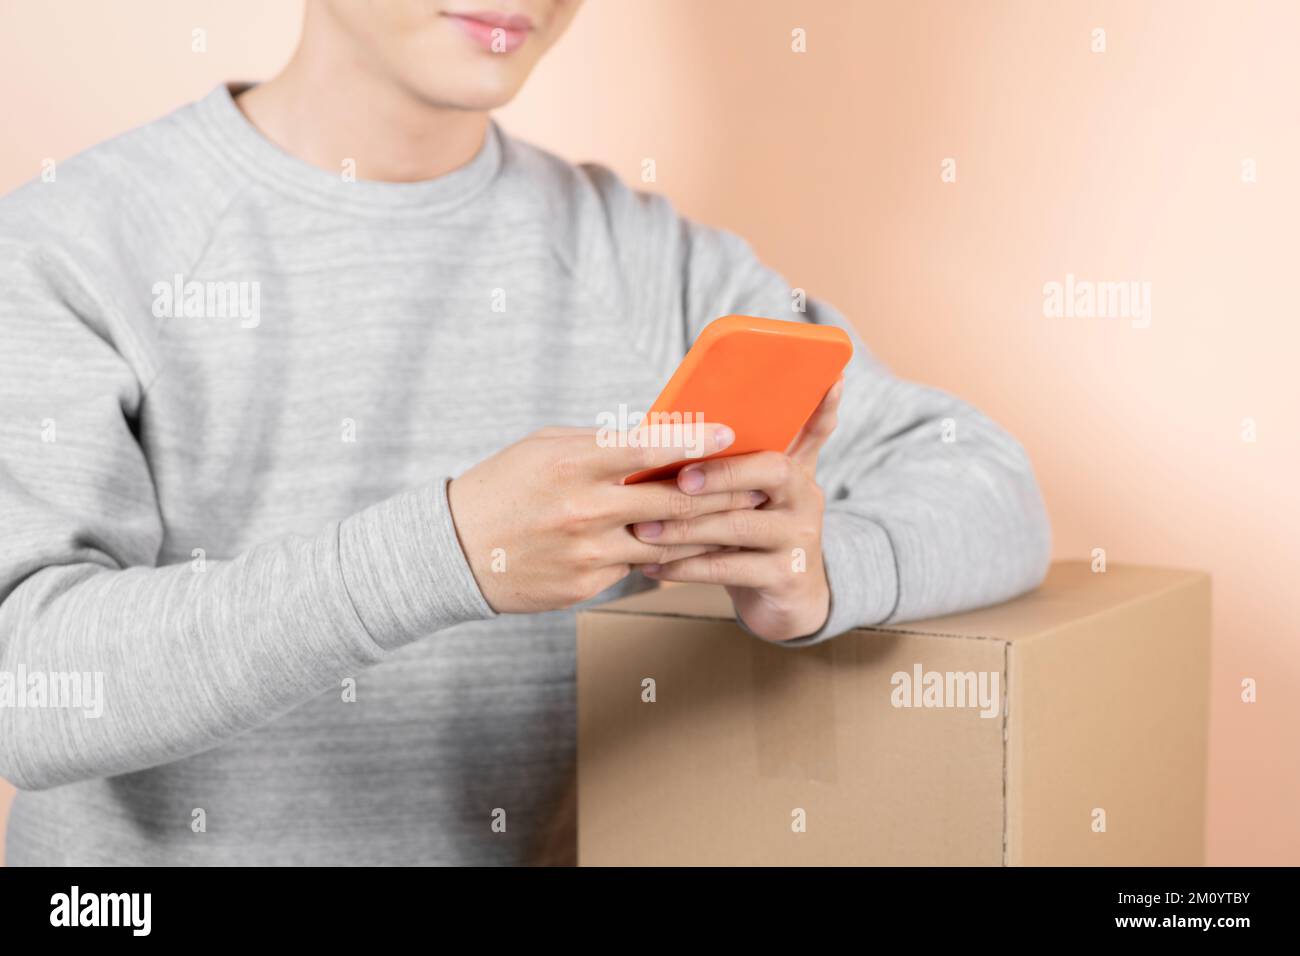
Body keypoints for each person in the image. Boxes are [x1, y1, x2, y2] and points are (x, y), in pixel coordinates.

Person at [0, 0, 1050, 865]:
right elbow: (25, 688)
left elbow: (987, 482)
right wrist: (447, 551)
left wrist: (818, 574)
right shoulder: (73, 242)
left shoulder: (641, 258)